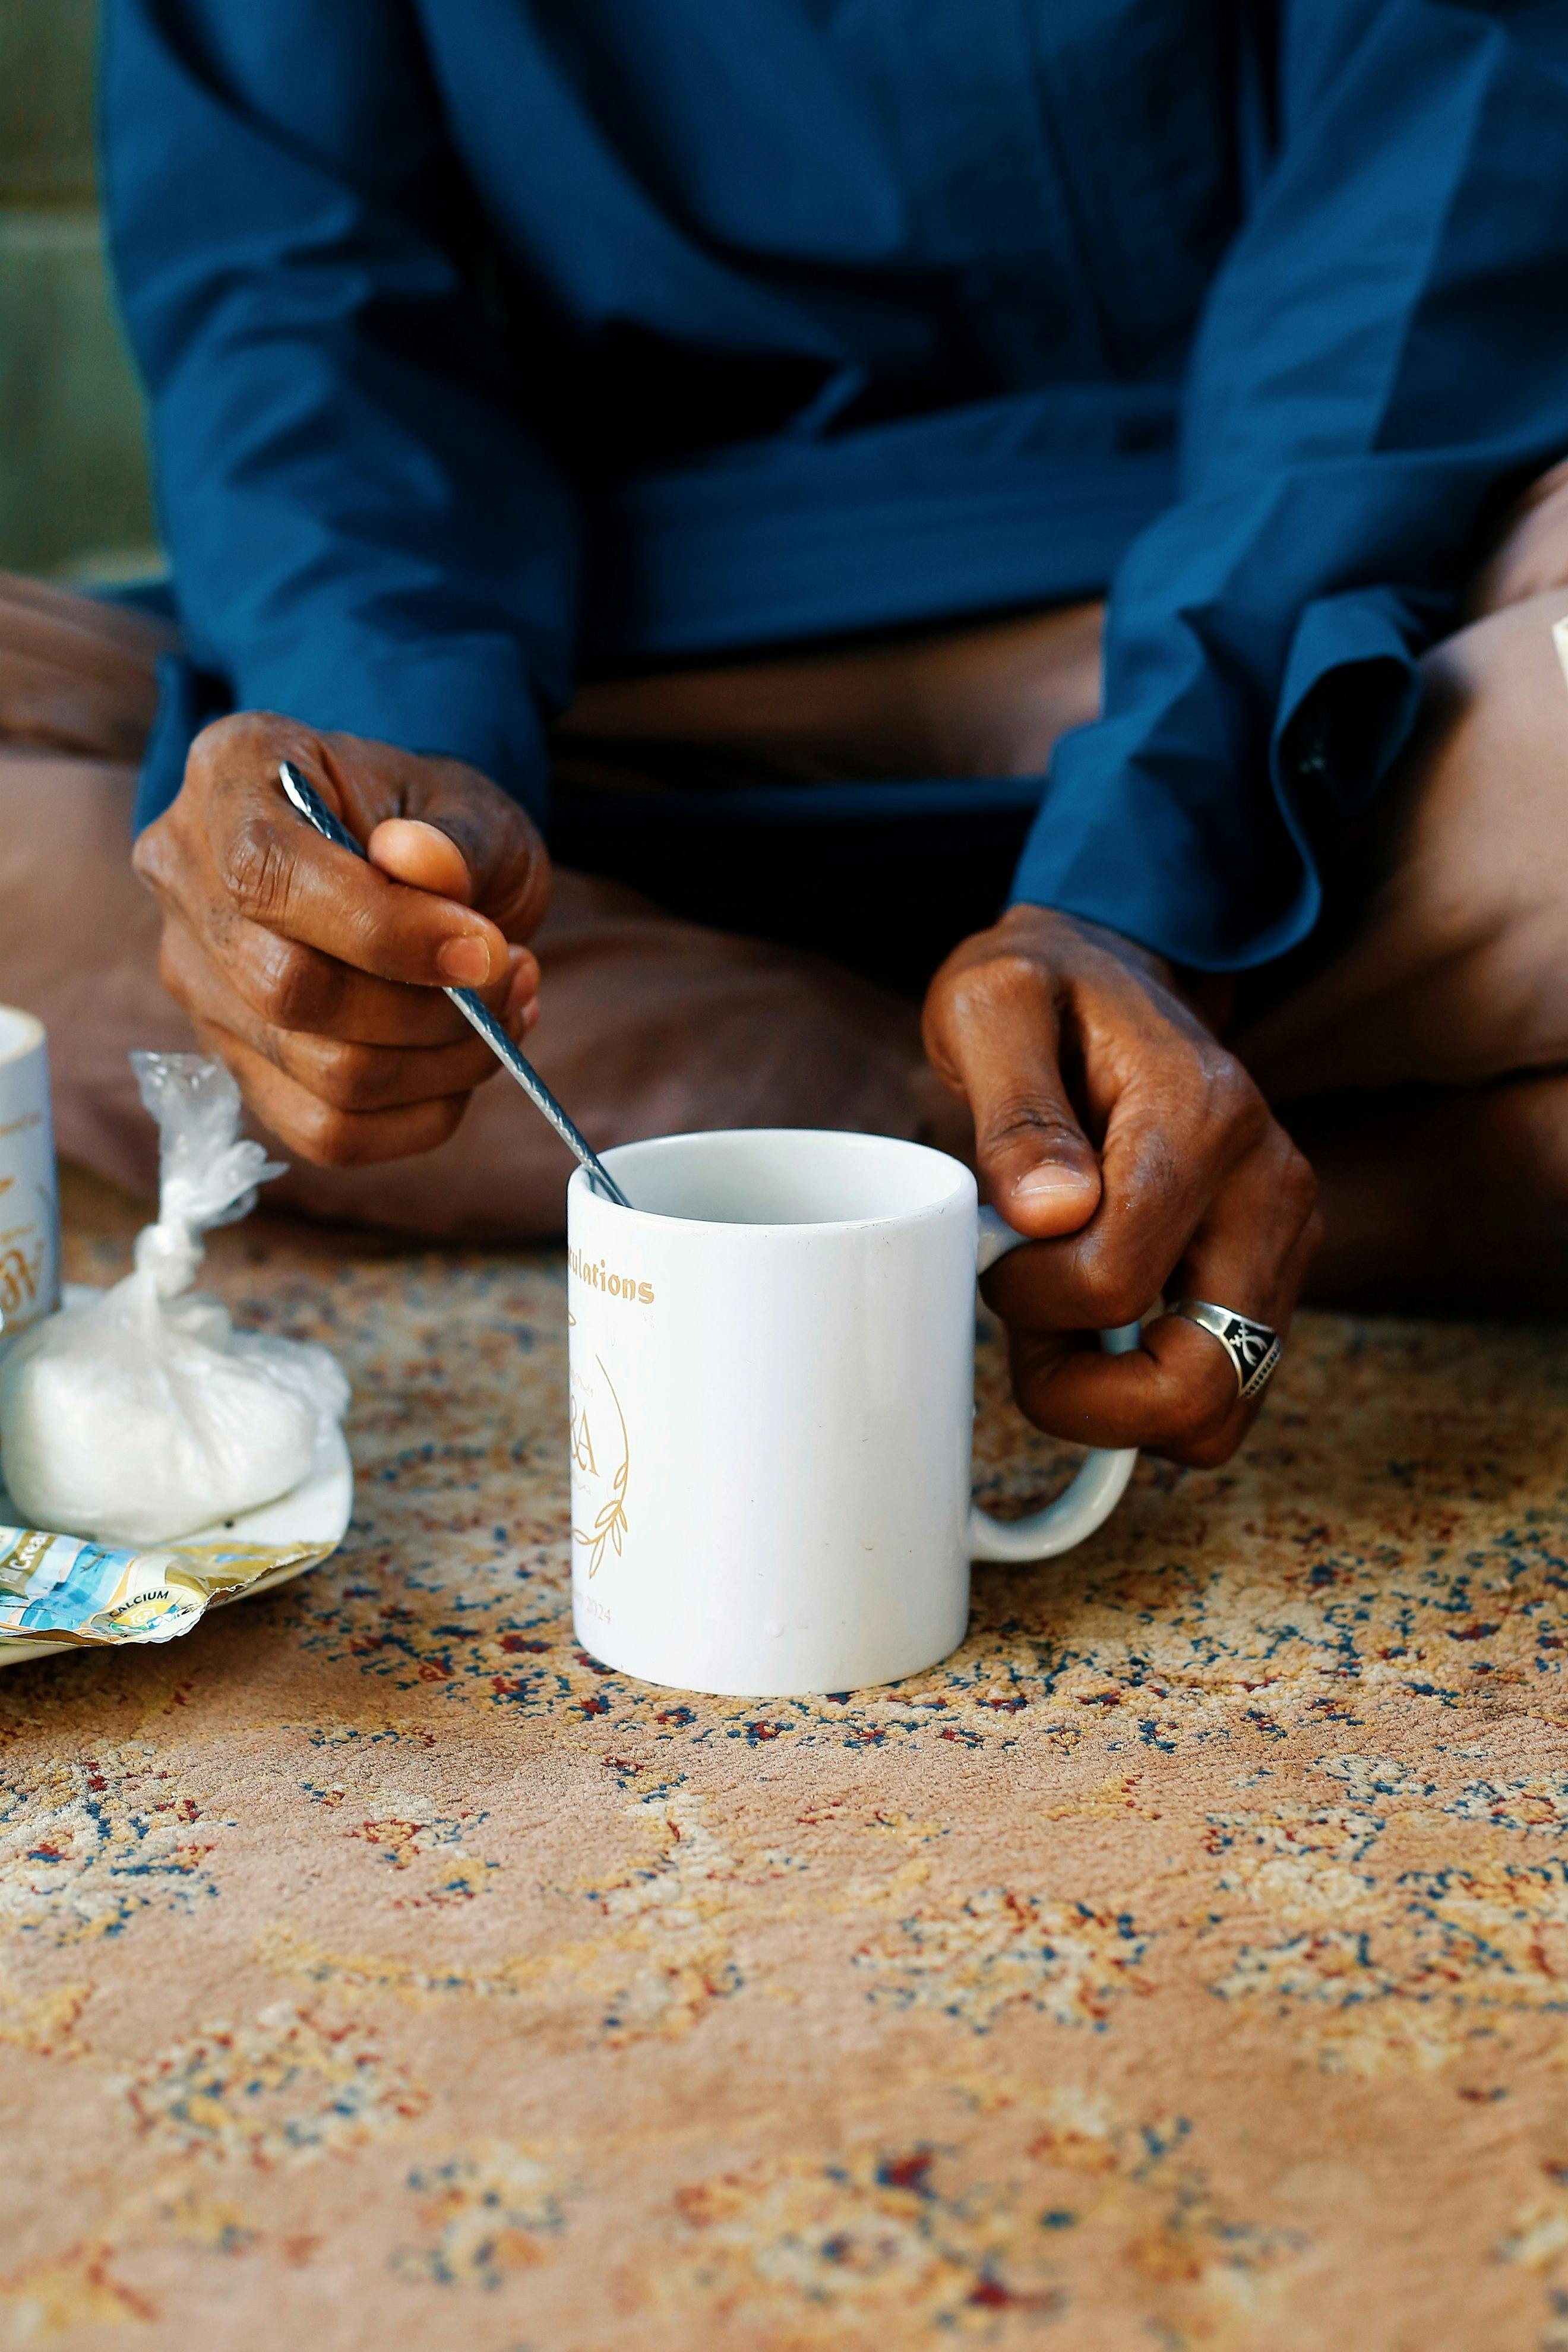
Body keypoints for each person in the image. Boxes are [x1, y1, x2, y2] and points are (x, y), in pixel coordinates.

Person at [3, 0, 1567, 1477]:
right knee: (135, 825)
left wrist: (1140, 880)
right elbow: (293, 300)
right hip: (616, 641)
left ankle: (971, 1152)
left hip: (1280, 602)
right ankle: (1150, 1177)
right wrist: (378, 782)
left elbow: (1403, 251)